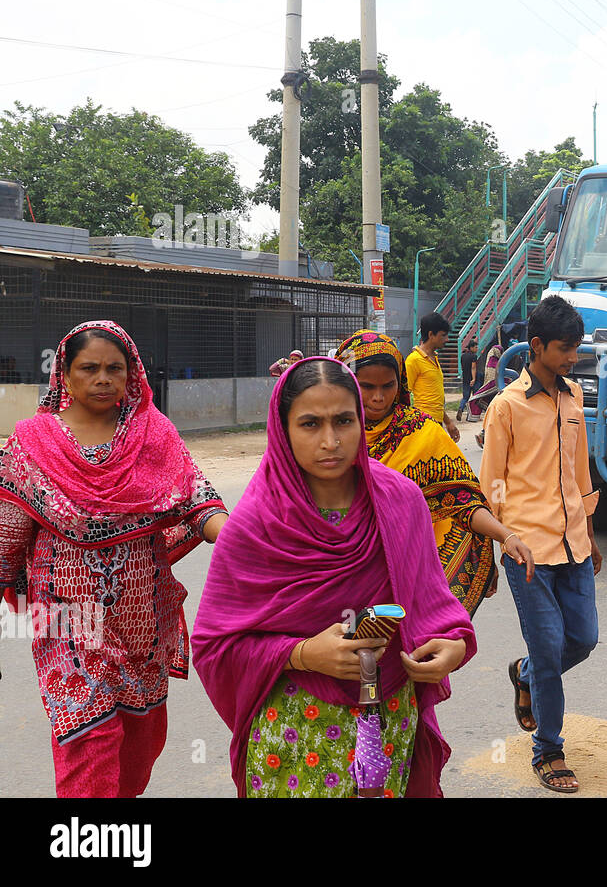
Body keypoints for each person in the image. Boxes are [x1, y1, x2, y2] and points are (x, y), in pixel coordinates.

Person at [192, 357, 476, 797]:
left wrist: (452, 643)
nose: (331, 441)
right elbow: (216, 645)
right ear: (283, 429)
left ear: (361, 421)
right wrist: (304, 654)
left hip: (388, 720)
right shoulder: (256, 523)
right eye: (310, 424)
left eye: (344, 420)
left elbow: (433, 602)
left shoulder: (401, 501)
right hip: (293, 729)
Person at [0, 321, 228, 797]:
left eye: (114, 368)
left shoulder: (153, 433)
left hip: (142, 615)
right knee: (88, 737)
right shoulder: (31, 442)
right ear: (65, 374)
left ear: (131, 374)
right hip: (66, 616)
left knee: (138, 745)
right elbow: (8, 534)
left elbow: (197, 497)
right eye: (89, 368)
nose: (103, 378)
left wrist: (237, 538)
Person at [480, 295, 602, 793]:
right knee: (550, 649)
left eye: (576, 347)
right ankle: (548, 750)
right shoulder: (505, 406)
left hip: (574, 544)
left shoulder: (574, 397)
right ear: (536, 346)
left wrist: (590, 533)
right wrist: (497, 548)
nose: (573, 357)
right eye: (565, 348)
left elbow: (579, 470)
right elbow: (490, 486)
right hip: (526, 549)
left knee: (584, 639)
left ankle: (525, 673)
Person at [334, 330, 532, 617]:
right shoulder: (327, 436)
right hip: (339, 578)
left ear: (400, 382)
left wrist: (506, 536)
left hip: (406, 578)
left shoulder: (423, 433)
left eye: (388, 386)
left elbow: (463, 500)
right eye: (366, 386)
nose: (378, 397)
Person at [407, 313, 459, 441]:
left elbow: (435, 401)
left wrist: (448, 422)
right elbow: (402, 395)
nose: (447, 339)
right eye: (443, 335)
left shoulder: (434, 359)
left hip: (436, 424)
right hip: (423, 425)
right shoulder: (414, 360)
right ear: (431, 335)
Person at [456, 339, 478, 422]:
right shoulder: (474, 356)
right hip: (472, 379)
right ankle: (471, 415)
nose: (477, 349)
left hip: (465, 379)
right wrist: (473, 379)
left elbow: (463, 367)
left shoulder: (463, 356)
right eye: (475, 347)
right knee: (475, 397)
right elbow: (473, 368)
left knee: (465, 397)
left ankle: (461, 408)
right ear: (471, 348)